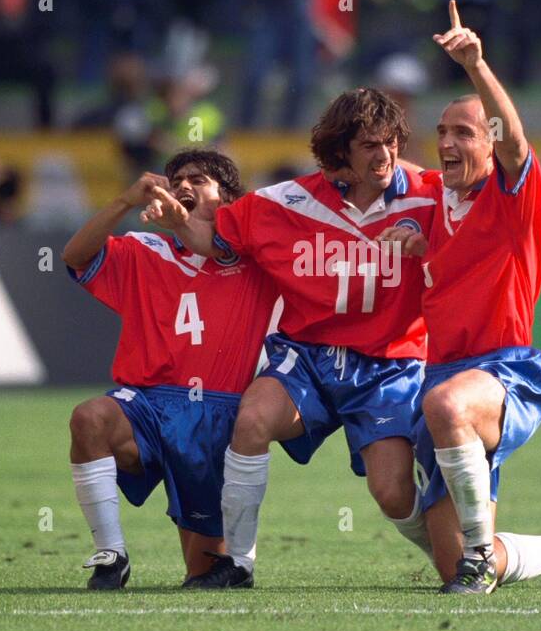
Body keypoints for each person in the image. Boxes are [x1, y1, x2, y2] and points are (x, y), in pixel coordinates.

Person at [141, 87, 442, 588]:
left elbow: (474, 247)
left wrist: (427, 248)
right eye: (369, 144)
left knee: (392, 494)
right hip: (308, 358)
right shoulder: (286, 202)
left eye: (390, 141)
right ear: (339, 149)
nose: (384, 155)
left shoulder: (429, 195)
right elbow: (213, 243)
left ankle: (456, 550)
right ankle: (237, 564)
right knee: (252, 420)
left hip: (389, 365)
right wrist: (177, 219)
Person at [404, 1, 541, 593]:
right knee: (417, 513)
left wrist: (476, 66)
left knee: (445, 407)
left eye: (463, 133)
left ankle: (475, 553)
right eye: (441, 131)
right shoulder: (431, 200)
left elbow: (515, 141)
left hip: (502, 371)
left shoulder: (514, 197)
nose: (446, 142)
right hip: (439, 373)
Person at [60, 150, 279, 588]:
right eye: (176, 179)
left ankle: (228, 560)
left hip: (216, 417)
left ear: (229, 197)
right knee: (89, 417)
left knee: (206, 574)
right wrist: (124, 202)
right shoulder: (145, 248)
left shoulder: (255, 257)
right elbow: (76, 256)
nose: (183, 186)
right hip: (146, 403)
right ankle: (111, 556)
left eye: (199, 180)